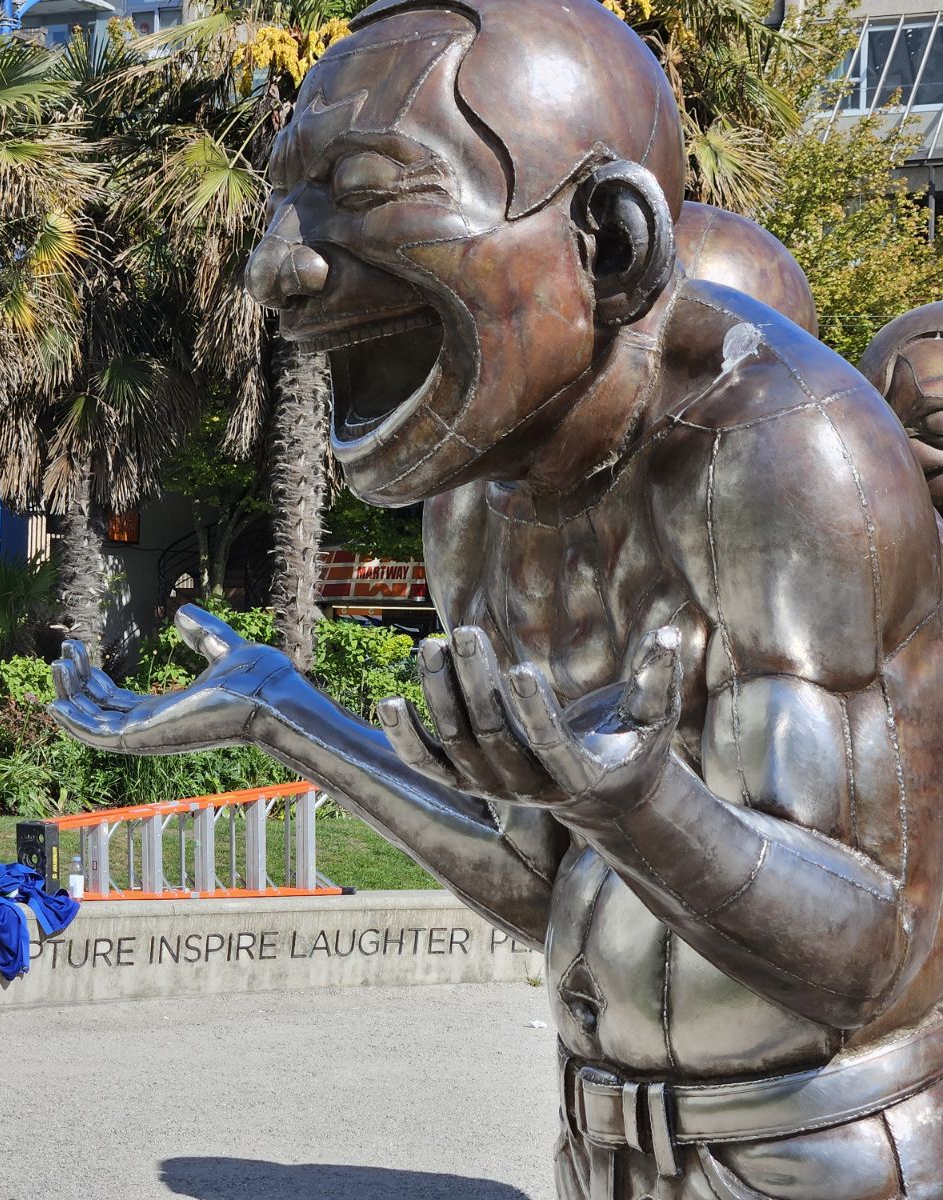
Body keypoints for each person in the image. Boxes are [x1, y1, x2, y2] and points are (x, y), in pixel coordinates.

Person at [50, 1, 943, 1197]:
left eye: (370, 189)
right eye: (289, 203)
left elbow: (864, 962)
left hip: (814, 1156)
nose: (280, 266)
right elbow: (541, 881)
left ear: (609, 240)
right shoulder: (471, 493)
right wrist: (284, 714)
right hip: (603, 1145)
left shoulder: (788, 457)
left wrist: (633, 808)